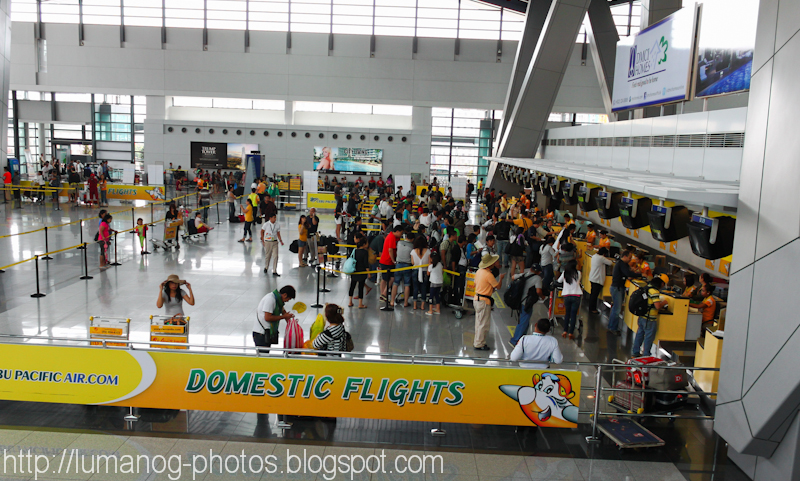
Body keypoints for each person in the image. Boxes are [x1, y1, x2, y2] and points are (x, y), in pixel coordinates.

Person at [473, 254, 505, 351]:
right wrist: (501, 279)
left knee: (479, 322)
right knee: (484, 324)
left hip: (477, 299)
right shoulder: (488, 275)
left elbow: (475, 284)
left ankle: (478, 340)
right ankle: (479, 343)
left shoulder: (479, 271)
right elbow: (497, 287)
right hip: (484, 301)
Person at [631, 276, 668, 357]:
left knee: (639, 334)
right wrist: (664, 303)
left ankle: (635, 352)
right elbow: (657, 306)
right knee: (649, 337)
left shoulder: (646, 288)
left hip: (642, 316)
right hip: (650, 319)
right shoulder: (654, 292)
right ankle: (646, 354)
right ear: (661, 284)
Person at [608, 250, 641, 333]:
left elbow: (627, 272)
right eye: (629, 258)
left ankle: (611, 326)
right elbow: (628, 273)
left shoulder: (623, 264)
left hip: (618, 288)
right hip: (617, 288)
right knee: (617, 309)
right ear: (625, 256)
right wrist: (640, 275)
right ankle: (613, 328)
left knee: (616, 308)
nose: (630, 260)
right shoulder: (621, 264)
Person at [380, 225, 403, 311]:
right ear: (397, 231)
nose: (401, 234)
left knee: (384, 278)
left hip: (385, 260)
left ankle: (383, 295)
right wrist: (393, 261)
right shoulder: (392, 237)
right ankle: (384, 294)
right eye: (401, 233)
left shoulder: (393, 236)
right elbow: (390, 250)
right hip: (387, 261)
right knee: (391, 278)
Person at [558, 261, 582, 340]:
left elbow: (559, 281)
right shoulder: (578, 273)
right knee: (573, 315)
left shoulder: (565, 273)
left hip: (566, 295)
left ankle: (565, 331)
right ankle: (571, 333)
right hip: (576, 296)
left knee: (567, 314)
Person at [391, 227, 415, 308]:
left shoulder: (399, 243)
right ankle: (405, 302)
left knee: (395, 283)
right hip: (407, 266)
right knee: (407, 284)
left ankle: (391, 301)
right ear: (412, 239)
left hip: (398, 265)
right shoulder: (412, 246)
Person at [588, 247, 613, 314]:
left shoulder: (594, 256)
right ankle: (592, 309)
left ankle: (591, 307)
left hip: (592, 277)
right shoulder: (601, 258)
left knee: (592, 294)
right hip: (597, 279)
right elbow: (610, 263)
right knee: (594, 295)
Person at [348, 237, 371, 308]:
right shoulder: (365, 252)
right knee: (360, 287)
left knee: (352, 286)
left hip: (354, 271)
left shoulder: (354, 251)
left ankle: (350, 302)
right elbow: (366, 264)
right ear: (364, 244)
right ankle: (360, 304)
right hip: (362, 272)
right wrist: (369, 273)